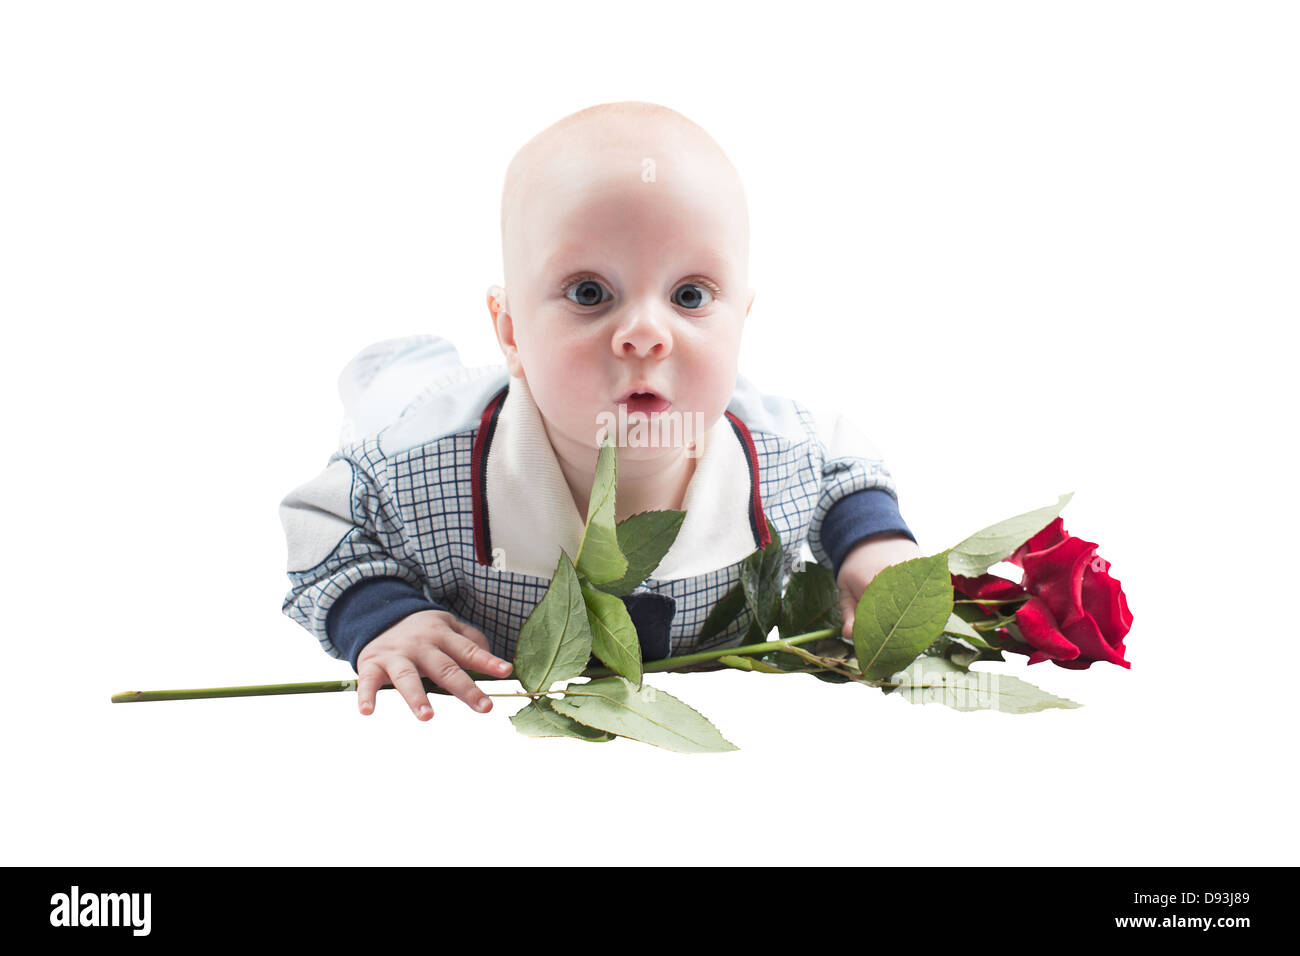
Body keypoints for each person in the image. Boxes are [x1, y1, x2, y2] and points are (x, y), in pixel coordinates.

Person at [279, 101, 921, 723]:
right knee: (398, 386)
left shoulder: (775, 455)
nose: (645, 332)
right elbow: (325, 517)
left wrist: (874, 546)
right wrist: (385, 617)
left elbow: (843, 462)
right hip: (435, 401)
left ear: (741, 322)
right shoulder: (421, 468)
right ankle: (394, 361)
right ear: (510, 330)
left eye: (690, 295)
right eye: (591, 294)